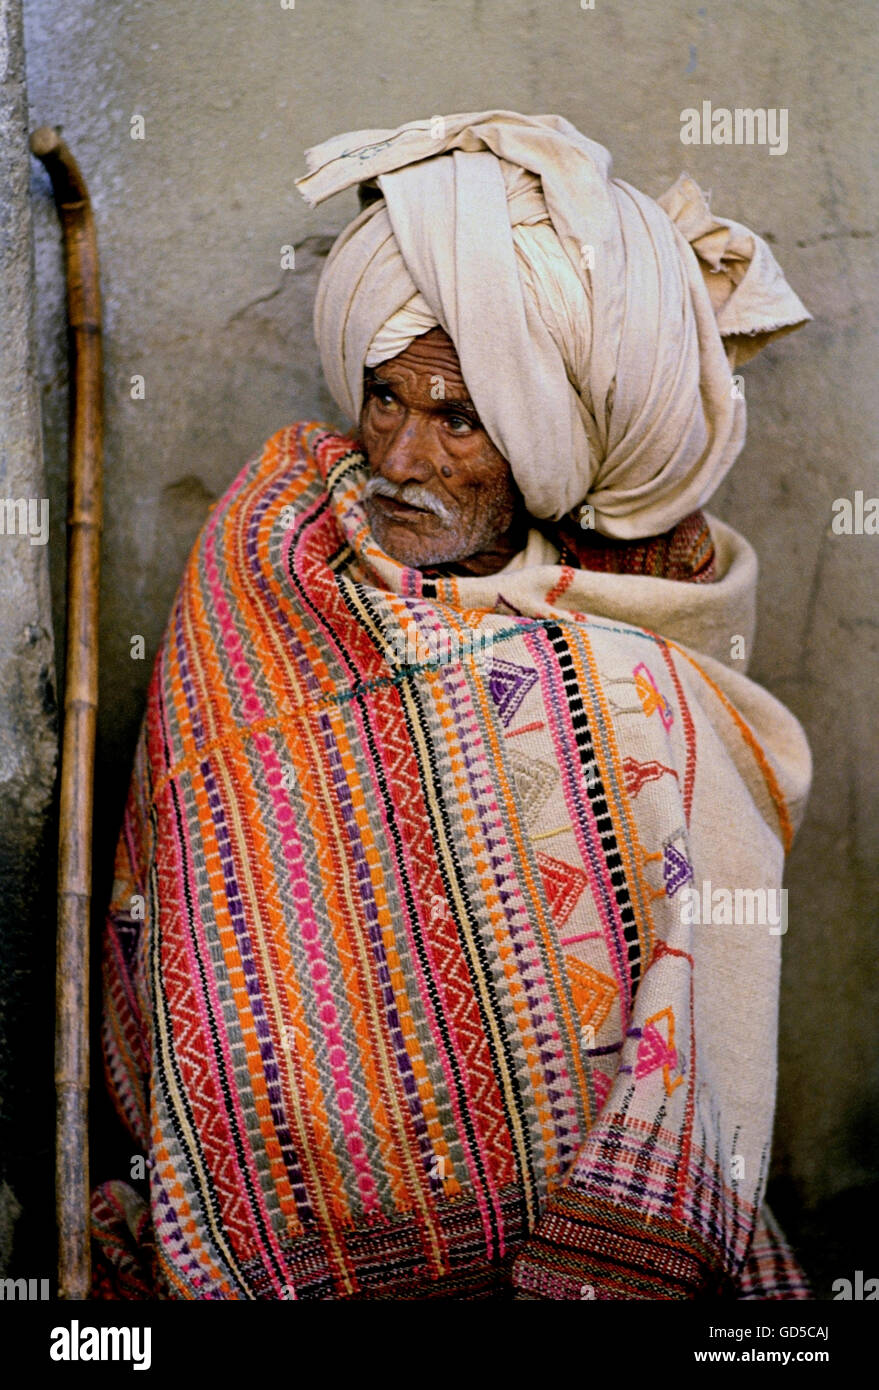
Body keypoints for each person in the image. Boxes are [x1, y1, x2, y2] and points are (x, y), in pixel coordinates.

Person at [92, 110, 813, 1300]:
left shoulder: (647, 678)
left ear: (541, 442)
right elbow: (189, 898)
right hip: (282, 1234)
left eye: (458, 417)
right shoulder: (276, 554)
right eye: (384, 400)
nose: (403, 457)